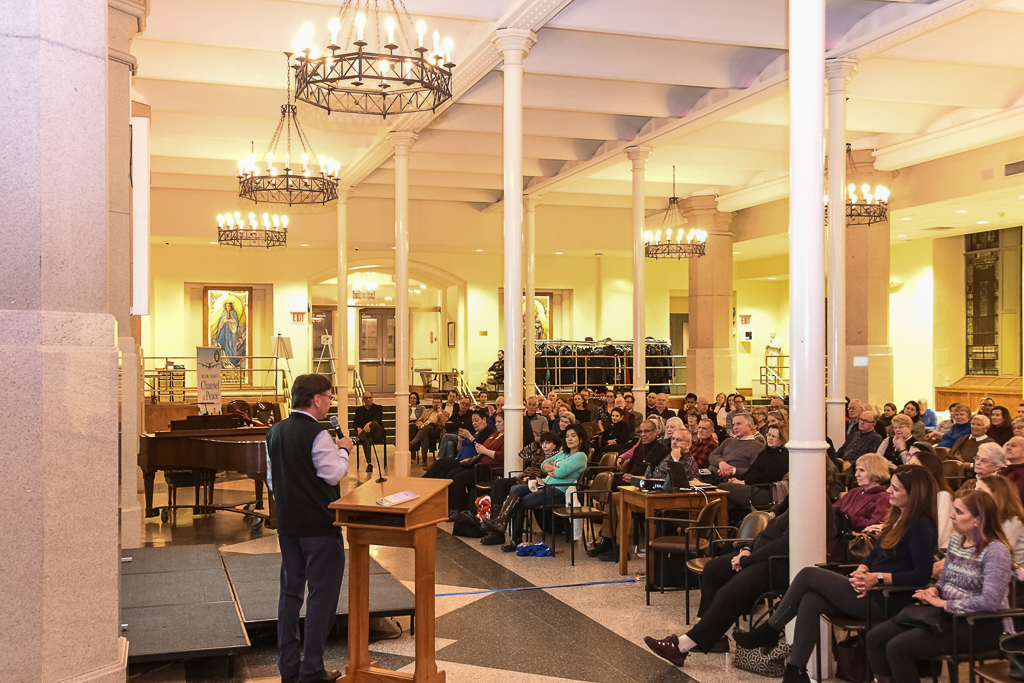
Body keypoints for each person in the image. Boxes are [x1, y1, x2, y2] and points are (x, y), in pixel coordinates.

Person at [733, 466, 938, 683]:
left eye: (895, 489)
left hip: (888, 597)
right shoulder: (898, 516)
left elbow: (921, 575)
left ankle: (769, 630)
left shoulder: (921, 525)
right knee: (811, 600)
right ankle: (795, 672)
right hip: (870, 588)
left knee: (809, 574)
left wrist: (876, 578)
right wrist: (862, 570)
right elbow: (874, 555)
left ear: (914, 494)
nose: (888, 492)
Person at [644, 503, 837, 667]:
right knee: (713, 569)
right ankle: (713, 638)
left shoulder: (815, 500)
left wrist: (748, 560)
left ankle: (682, 646)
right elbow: (768, 530)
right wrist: (746, 549)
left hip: (779, 563)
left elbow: (785, 544)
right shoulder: (794, 495)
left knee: (730, 592)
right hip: (759, 555)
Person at [867, 489, 1011, 683]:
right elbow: (945, 580)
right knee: (876, 637)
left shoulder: (995, 551)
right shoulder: (955, 542)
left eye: (959, 512)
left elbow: (991, 602)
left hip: (982, 624)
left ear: (978, 519)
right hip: (950, 617)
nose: (952, 515)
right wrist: (935, 589)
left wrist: (943, 604)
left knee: (898, 648)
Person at [266, 374, 353, 683]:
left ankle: (288, 668)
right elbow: (332, 475)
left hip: (288, 527)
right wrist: (344, 449)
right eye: (329, 397)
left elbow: (273, 480)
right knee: (320, 597)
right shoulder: (318, 435)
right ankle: (312, 669)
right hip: (319, 527)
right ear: (316, 399)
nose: (330, 402)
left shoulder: (274, 432)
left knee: (289, 595)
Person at [488, 425, 589, 552]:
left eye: (573, 435)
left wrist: (553, 469)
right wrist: (554, 469)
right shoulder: (564, 453)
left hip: (558, 491)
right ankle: (501, 523)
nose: (569, 439)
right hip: (545, 485)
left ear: (581, 439)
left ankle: (513, 538)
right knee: (515, 488)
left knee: (519, 503)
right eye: (567, 435)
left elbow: (559, 474)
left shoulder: (580, 456)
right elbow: (543, 465)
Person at [481, 431, 561, 546]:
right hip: (523, 477)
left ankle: (499, 530)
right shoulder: (538, 451)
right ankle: (496, 528)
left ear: (555, 444)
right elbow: (522, 454)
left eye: (548, 443)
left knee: (515, 490)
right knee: (498, 484)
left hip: (535, 481)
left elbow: (547, 471)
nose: (544, 446)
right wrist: (536, 441)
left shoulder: (556, 455)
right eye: (543, 443)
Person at [439, 412, 506, 515]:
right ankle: (452, 507)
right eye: (496, 421)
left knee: (457, 479)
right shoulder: (495, 434)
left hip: (489, 468)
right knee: (450, 475)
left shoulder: (507, 438)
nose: (496, 424)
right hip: (479, 463)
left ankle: (459, 510)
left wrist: (485, 451)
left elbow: (502, 455)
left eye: (499, 422)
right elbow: (483, 446)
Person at [718, 424, 789, 510]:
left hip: (764, 490)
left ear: (782, 439)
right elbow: (752, 470)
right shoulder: (766, 451)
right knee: (727, 501)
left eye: (773, 436)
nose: (770, 438)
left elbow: (768, 477)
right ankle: (722, 521)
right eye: (769, 434)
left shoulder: (783, 456)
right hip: (752, 486)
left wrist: (744, 482)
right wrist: (738, 480)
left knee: (722, 488)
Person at [423, 409, 493, 485]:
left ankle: (422, 482)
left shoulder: (487, 433)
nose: (474, 423)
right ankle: (439, 494)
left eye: (476, 420)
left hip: (468, 462)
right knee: (441, 473)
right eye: (472, 421)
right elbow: (459, 449)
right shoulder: (473, 432)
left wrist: (469, 437)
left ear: (484, 419)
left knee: (441, 462)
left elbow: (480, 447)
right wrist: (460, 441)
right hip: (459, 459)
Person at [906, 449, 954, 548]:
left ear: (928, 470)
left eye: (913, 465)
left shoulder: (943, 495)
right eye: (909, 464)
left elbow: (940, 533)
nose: (908, 468)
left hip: (935, 551)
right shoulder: (913, 494)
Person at [832, 453, 891, 532]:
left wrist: (847, 518)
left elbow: (873, 526)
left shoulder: (883, 497)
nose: (856, 474)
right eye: (856, 470)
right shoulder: (854, 491)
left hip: (859, 541)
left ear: (875, 472)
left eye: (862, 470)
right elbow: (833, 510)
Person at [976, 475, 1024, 564]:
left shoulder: (1012, 521)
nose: (974, 495)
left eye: (980, 491)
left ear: (997, 494)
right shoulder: (985, 516)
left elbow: (1000, 555)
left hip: (1010, 572)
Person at [709, 413, 764, 480]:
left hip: (734, 480)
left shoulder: (758, 446)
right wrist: (721, 463)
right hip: (714, 474)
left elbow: (754, 471)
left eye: (738, 424)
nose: (735, 427)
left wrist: (733, 471)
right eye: (733, 424)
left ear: (749, 426)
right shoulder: (728, 441)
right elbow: (713, 455)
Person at [409, 397, 449, 463]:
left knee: (427, 428)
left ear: (441, 404)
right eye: (435, 402)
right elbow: (419, 420)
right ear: (432, 404)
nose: (436, 404)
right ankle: (424, 460)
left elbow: (444, 424)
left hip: (436, 430)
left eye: (438, 402)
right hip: (425, 429)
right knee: (425, 435)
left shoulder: (445, 413)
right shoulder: (427, 411)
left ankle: (412, 443)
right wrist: (421, 425)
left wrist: (440, 412)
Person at [353, 392, 385, 473]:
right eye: (366, 398)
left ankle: (359, 437)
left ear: (372, 398)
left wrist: (369, 424)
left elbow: (378, 418)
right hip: (367, 435)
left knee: (373, 423)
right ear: (363, 399)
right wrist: (358, 428)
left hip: (377, 433)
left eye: (370, 397)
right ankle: (369, 463)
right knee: (366, 437)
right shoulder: (359, 410)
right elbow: (355, 422)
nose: (368, 399)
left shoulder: (378, 408)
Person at [1001, 437, 1024, 501]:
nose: (1008, 448)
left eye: (1013, 446)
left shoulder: (1022, 473)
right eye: (1007, 445)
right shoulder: (1007, 470)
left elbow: (1014, 499)